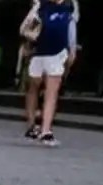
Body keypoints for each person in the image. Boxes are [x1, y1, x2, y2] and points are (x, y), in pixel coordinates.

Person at [22, 0, 77, 147]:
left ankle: (45, 130)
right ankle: (32, 126)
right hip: (38, 53)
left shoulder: (68, 7)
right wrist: (27, 46)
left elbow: (71, 26)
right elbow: (29, 29)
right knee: (33, 87)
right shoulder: (40, 6)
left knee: (51, 91)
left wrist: (72, 48)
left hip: (57, 53)